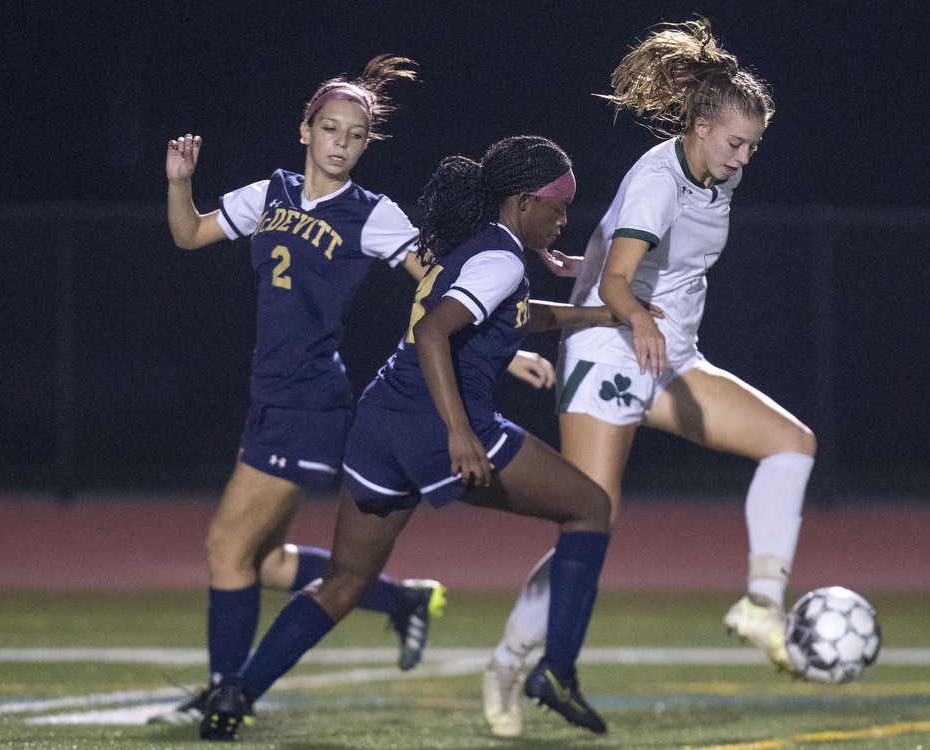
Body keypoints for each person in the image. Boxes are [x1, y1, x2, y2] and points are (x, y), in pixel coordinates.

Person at [154, 56, 552, 727]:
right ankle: (400, 603)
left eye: (356, 134)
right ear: (305, 130)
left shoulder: (373, 215)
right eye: (331, 128)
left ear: (366, 144)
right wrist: (179, 183)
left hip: (309, 401)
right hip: (269, 396)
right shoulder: (269, 194)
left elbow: (442, 286)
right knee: (269, 558)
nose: (342, 141)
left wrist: (505, 355)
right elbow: (190, 233)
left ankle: (226, 690)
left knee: (226, 548)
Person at [198, 136, 625, 741]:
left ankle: (237, 691)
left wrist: (606, 315)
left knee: (345, 580)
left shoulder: (482, 250)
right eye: (558, 208)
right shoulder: (500, 259)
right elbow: (432, 333)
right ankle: (556, 670)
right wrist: (459, 434)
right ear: (524, 202)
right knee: (590, 509)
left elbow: (522, 317)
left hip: (380, 423)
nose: (564, 220)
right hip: (438, 424)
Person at [483, 19, 816, 737]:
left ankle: (761, 603)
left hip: (673, 356)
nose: (744, 160)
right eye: (735, 144)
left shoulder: (709, 171)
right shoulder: (660, 182)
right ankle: (512, 659)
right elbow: (626, 283)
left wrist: (595, 258)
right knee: (590, 521)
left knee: (792, 443)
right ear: (698, 127)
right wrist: (627, 308)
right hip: (612, 351)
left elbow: (635, 250)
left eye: (754, 147)